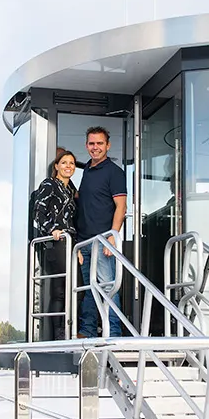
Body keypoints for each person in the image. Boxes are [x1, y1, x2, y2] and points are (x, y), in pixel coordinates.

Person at [75, 126, 126, 338]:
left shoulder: (114, 172)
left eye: (100, 143)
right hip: (84, 242)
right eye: (92, 143)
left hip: (103, 240)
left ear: (108, 145)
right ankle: (88, 330)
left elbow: (121, 207)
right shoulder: (87, 170)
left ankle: (113, 333)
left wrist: (112, 235)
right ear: (86, 145)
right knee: (89, 288)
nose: (95, 147)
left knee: (108, 288)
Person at [31, 149, 77, 340]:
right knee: (60, 290)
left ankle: (68, 330)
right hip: (56, 243)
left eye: (72, 163)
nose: (68, 166)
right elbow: (38, 212)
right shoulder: (49, 184)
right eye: (64, 162)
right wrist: (52, 230)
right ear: (56, 166)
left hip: (70, 243)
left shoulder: (70, 190)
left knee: (75, 289)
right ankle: (58, 334)